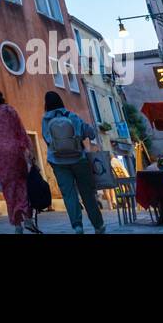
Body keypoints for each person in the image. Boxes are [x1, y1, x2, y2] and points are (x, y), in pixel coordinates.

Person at [41, 90, 106, 234]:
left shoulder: (45, 120)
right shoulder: (72, 116)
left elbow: (47, 140)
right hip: (78, 159)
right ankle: (98, 225)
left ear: (46, 104)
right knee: (87, 193)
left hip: (58, 161)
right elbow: (89, 133)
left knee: (69, 194)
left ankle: (77, 226)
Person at [0, 87, 39, 233]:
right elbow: (21, 130)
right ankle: (27, 217)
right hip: (15, 151)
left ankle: (17, 225)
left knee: (8, 188)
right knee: (22, 184)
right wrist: (28, 149)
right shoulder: (9, 110)